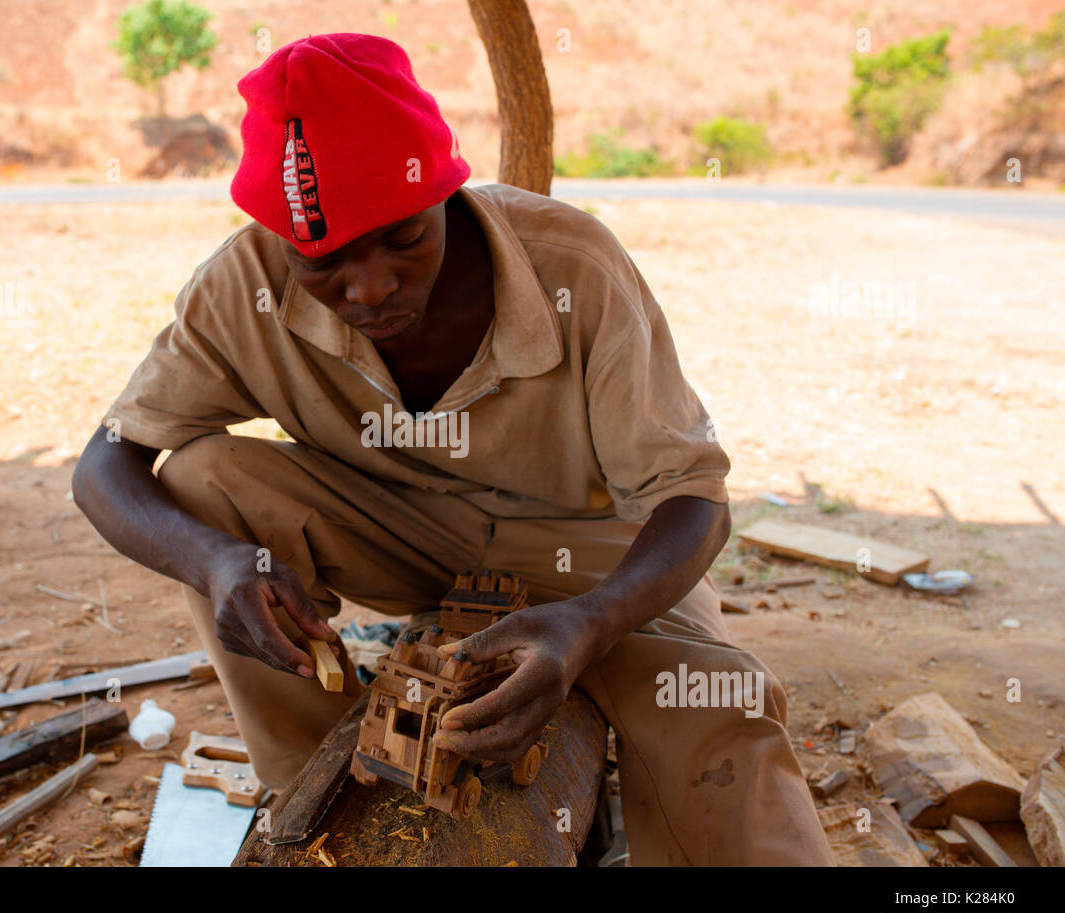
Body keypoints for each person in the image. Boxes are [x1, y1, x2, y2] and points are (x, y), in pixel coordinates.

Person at [72, 32, 835, 865]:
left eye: (402, 240)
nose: (368, 290)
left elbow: (694, 499)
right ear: (282, 241)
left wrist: (588, 624)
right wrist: (217, 564)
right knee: (196, 481)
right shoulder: (242, 284)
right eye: (324, 262)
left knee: (718, 712)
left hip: (586, 555)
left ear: (445, 190)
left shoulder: (573, 264)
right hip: (394, 534)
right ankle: (315, 788)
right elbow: (106, 463)